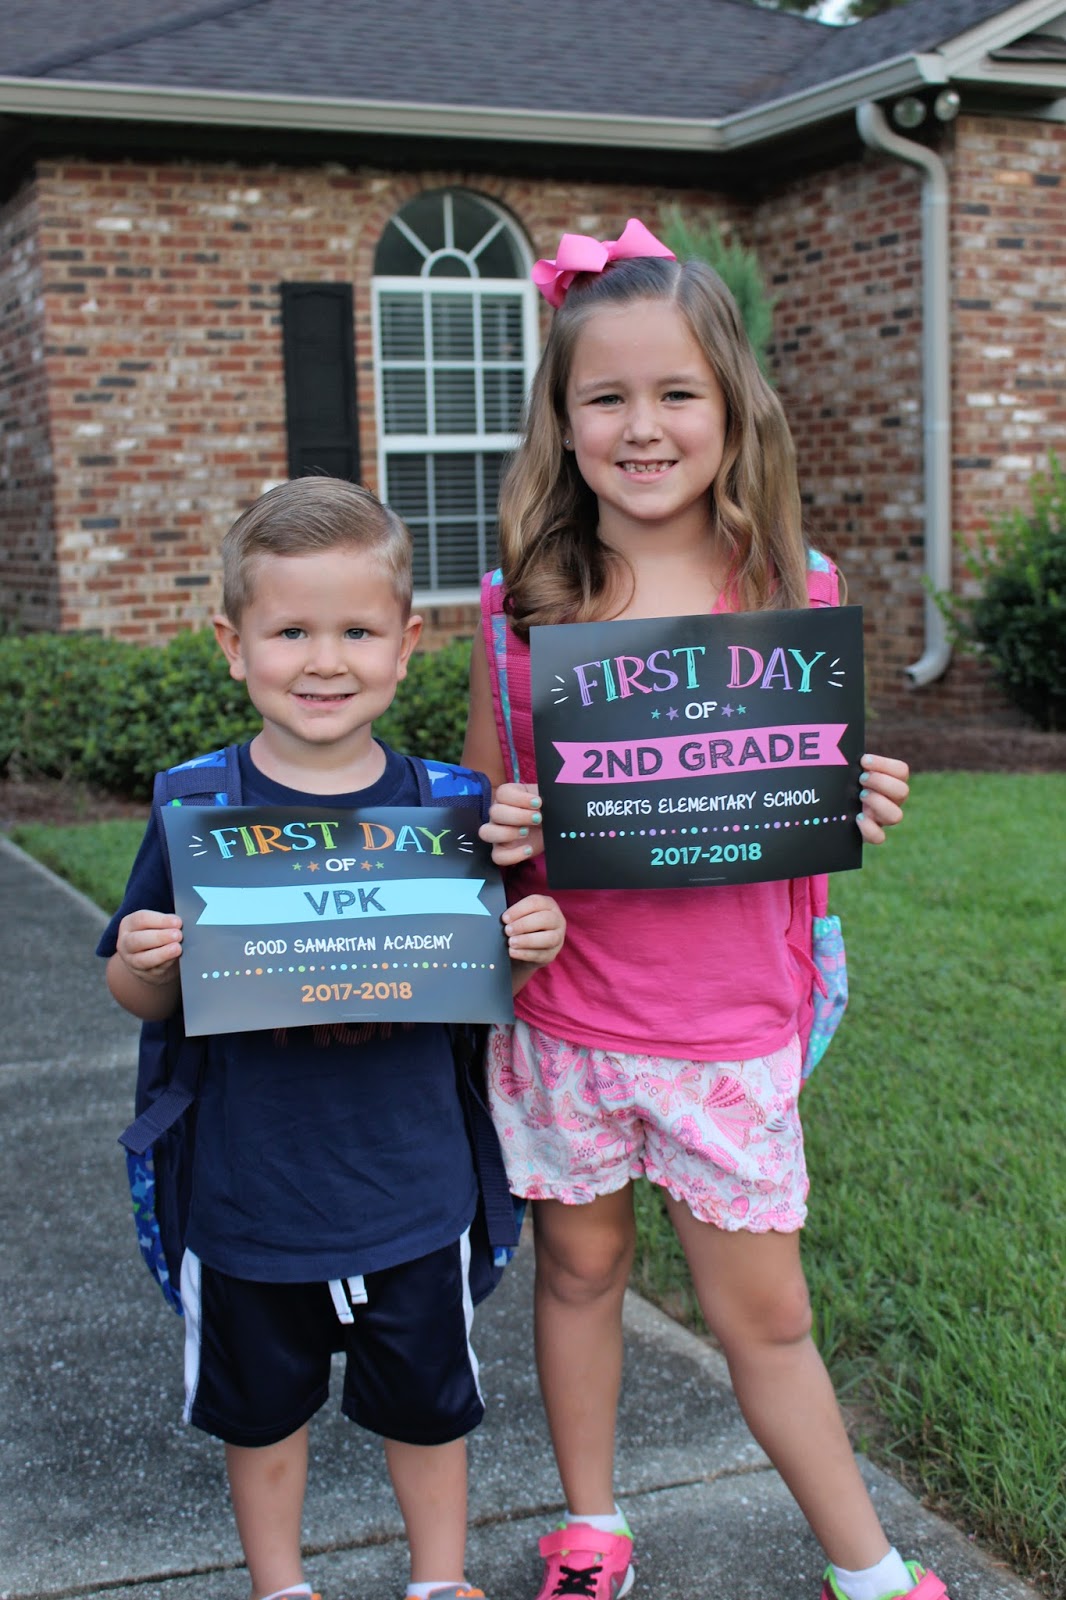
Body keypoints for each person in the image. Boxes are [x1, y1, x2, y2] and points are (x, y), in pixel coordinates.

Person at [462, 220, 940, 1600]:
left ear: (731, 412)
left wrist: (850, 808)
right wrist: (502, 850)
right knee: (577, 1276)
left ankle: (866, 1564)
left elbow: (792, 817)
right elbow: (487, 837)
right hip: (568, 1021)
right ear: (562, 419)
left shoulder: (794, 597)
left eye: (675, 393)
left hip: (725, 1024)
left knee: (765, 1317)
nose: (642, 425)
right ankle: (592, 1524)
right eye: (604, 396)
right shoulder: (513, 613)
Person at [99, 477, 566, 1600]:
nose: (324, 660)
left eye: (356, 630)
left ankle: (438, 1577)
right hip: (251, 1185)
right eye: (290, 630)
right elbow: (138, 995)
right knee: (259, 1415)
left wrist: (528, 940)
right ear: (233, 643)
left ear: (406, 646)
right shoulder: (197, 808)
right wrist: (144, 962)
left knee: (429, 1402)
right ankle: (280, 1583)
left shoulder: (449, 808)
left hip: (410, 1179)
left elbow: (473, 973)